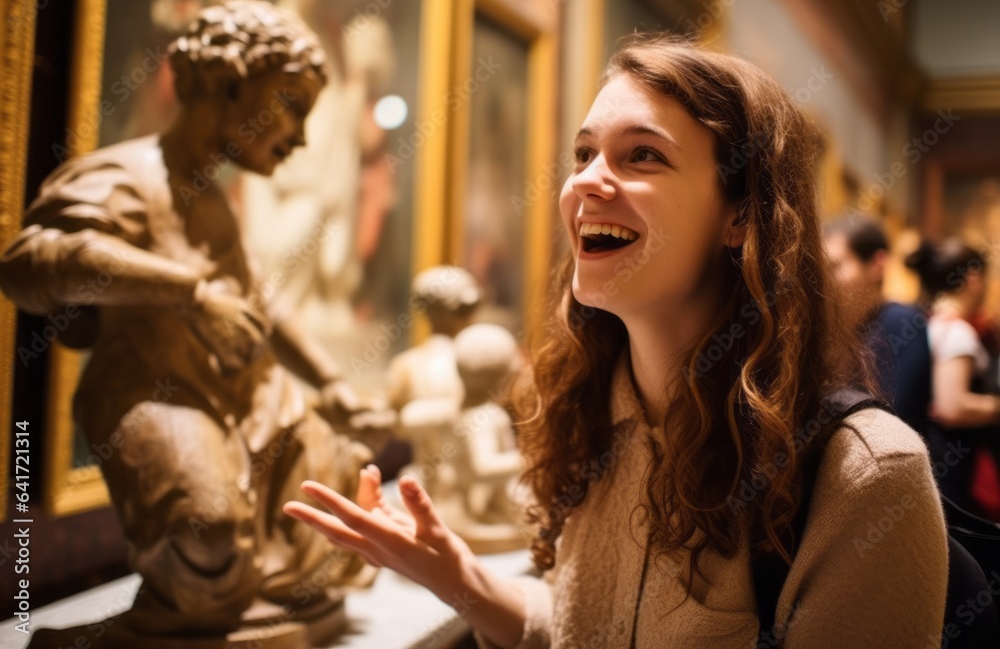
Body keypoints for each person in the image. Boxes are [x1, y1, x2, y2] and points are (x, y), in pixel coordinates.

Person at [284, 34, 949, 647]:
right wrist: (459, 577)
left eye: (643, 155)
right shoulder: (588, 413)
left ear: (741, 216)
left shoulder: (868, 477)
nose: (584, 181)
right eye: (583, 154)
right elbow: (579, 625)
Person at [0, 0, 373, 640]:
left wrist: (330, 380)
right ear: (230, 83)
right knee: (209, 534)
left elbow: (260, 303)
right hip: (155, 393)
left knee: (337, 507)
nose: (302, 138)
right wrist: (191, 293)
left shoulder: (217, 202)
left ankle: (264, 586)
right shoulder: (125, 175)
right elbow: (30, 264)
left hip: (252, 400)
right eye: (292, 106)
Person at [906, 239, 1000, 522]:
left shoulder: (930, 321)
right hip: (955, 463)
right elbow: (953, 407)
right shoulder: (957, 331)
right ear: (973, 278)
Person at [823, 215, 934, 436]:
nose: (822, 280)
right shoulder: (832, 328)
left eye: (834, 267)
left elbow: (890, 414)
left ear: (877, 265)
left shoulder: (902, 321)